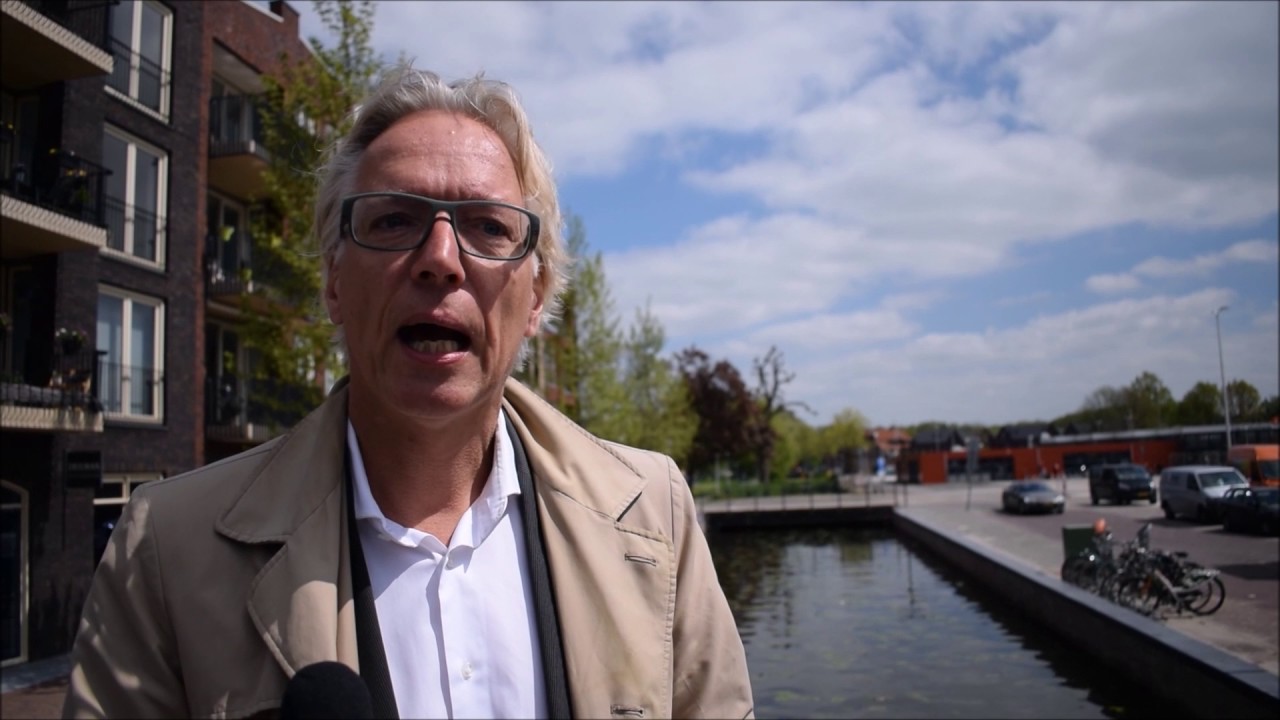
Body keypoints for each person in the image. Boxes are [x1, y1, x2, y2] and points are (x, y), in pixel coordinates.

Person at [63, 66, 754, 719]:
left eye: (488, 227)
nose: (441, 259)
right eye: (394, 220)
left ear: (537, 295)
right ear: (335, 281)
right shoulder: (165, 550)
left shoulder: (653, 514)